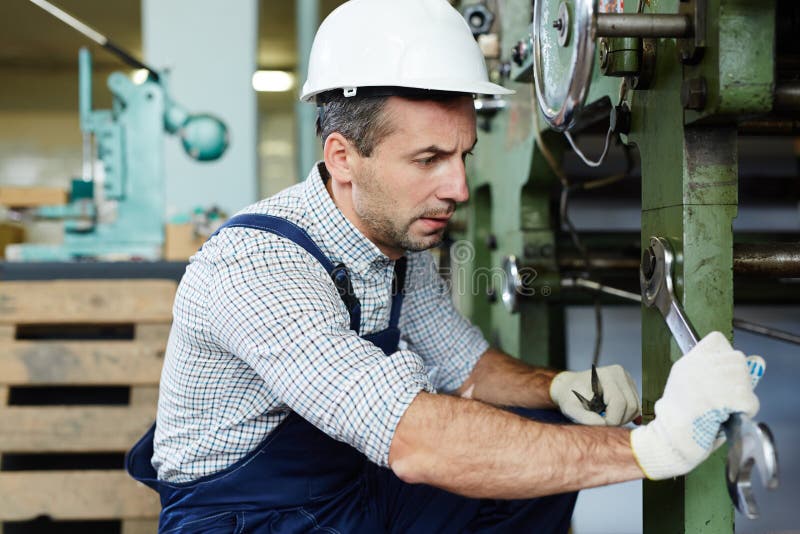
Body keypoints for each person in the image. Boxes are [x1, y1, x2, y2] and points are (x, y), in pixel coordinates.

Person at [126, 0, 760, 531]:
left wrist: (558, 387)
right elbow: (415, 440)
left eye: (463, 155)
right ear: (343, 158)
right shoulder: (258, 266)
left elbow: (466, 366)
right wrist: (652, 447)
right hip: (249, 519)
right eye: (428, 159)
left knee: (540, 435)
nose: (457, 188)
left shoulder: (395, 242)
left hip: (352, 494)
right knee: (469, 451)